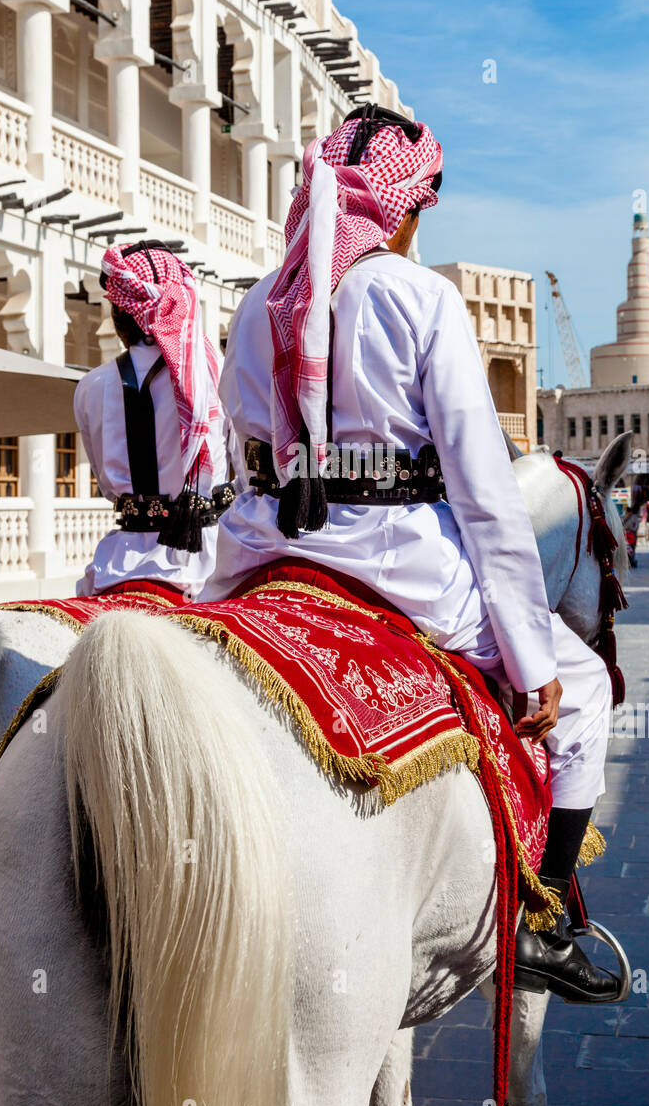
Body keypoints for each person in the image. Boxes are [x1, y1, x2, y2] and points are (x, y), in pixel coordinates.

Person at [207, 105, 618, 1002]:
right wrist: (530, 655)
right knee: (583, 689)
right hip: (398, 568)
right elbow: (485, 495)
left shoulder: (257, 302)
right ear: (404, 207)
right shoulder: (417, 294)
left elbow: (245, 450)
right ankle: (543, 919)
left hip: (266, 557)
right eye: (423, 206)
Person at [74, 241, 231, 599]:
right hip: (203, 567)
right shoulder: (216, 373)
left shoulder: (89, 387)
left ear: (119, 314)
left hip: (116, 565)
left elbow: (104, 482)